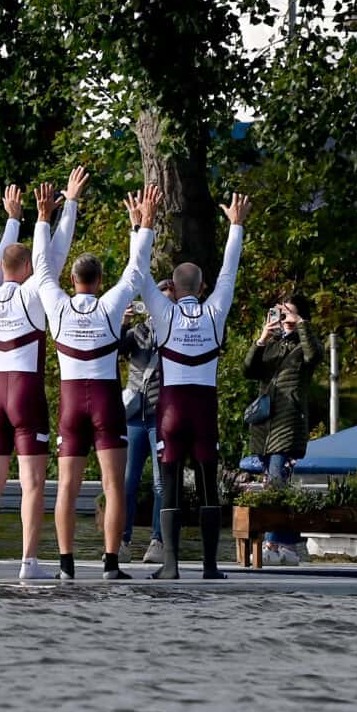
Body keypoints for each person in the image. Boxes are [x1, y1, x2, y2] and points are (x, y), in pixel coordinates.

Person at [0, 168, 79, 580]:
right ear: (27, 266)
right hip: (25, 392)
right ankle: (28, 563)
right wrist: (56, 212)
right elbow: (54, 257)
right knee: (32, 481)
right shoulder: (35, 292)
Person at [33, 182, 158, 580]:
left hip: (72, 405)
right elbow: (136, 270)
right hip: (106, 403)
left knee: (67, 486)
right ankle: (110, 564)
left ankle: (66, 565)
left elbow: (40, 266)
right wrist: (142, 224)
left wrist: (45, 216)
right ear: (100, 280)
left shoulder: (57, 304)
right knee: (114, 485)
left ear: (72, 278)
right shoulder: (109, 306)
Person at [134, 192, 252, 580]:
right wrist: (236, 224)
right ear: (201, 289)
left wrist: (141, 225)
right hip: (204, 412)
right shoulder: (216, 312)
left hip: (169, 412)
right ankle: (210, 566)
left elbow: (140, 274)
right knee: (207, 484)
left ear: (178, 288)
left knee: (168, 484)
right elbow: (230, 271)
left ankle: (169, 565)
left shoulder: (163, 313)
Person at [245, 293, 323, 565]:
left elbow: (314, 357)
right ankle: (288, 546)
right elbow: (249, 370)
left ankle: (272, 543)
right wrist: (262, 338)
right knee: (275, 482)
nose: (284, 317)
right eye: (281, 312)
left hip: (288, 422)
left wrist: (300, 324)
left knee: (276, 481)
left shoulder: (306, 343)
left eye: (289, 312)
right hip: (265, 424)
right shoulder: (273, 344)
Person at [119, 278, 174, 565]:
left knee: (159, 483)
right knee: (127, 481)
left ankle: (158, 540)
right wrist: (122, 321)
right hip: (133, 415)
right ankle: (122, 540)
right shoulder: (138, 332)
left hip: (161, 415)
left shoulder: (175, 332)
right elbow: (115, 348)